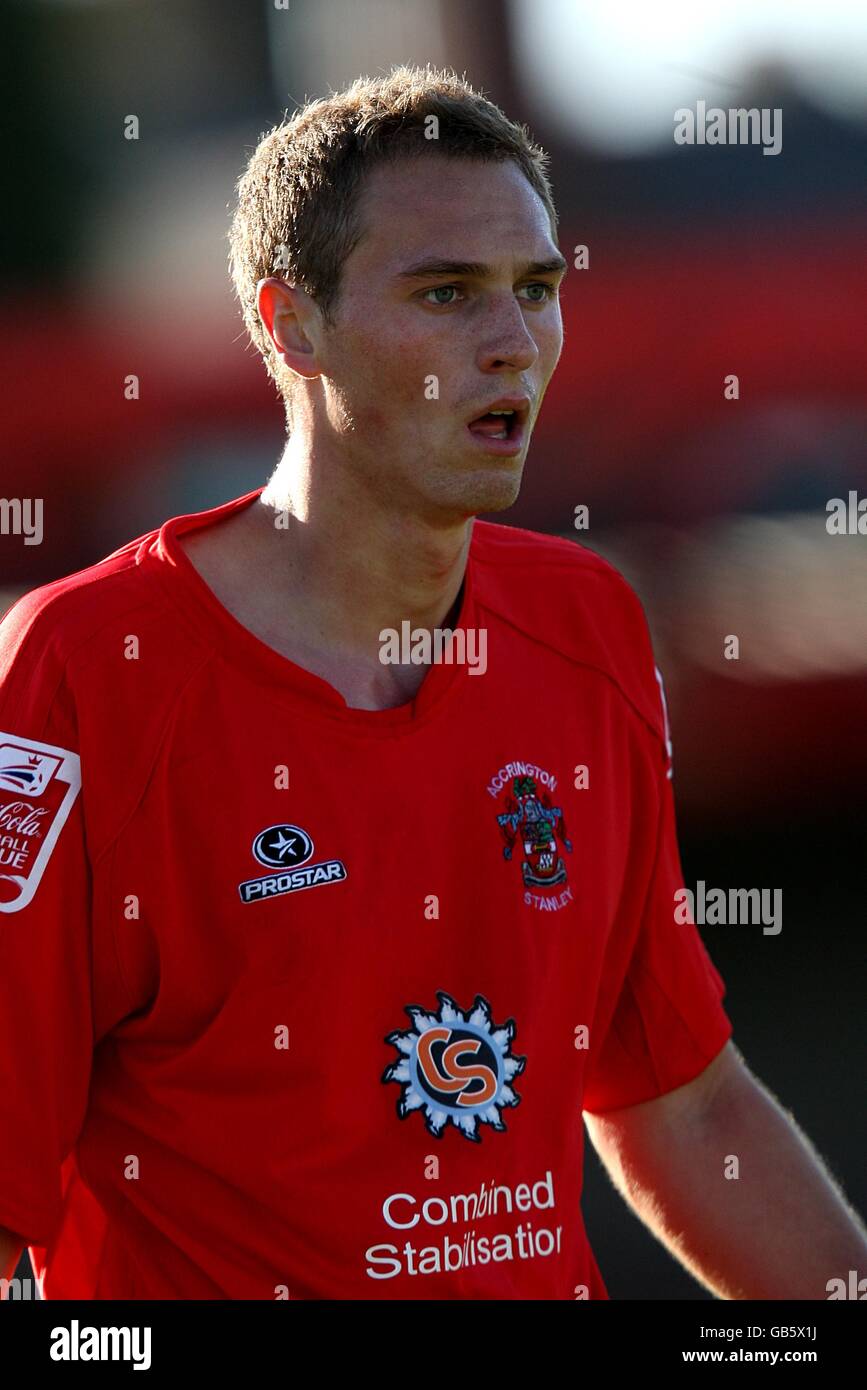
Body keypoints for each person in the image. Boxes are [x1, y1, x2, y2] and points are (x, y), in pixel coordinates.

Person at [1, 64, 864, 1301]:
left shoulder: (588, 625)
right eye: (446, 293)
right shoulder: (87, 668)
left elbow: (685, 1103)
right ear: (291, 323)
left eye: (536, 289)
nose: (512, 343)